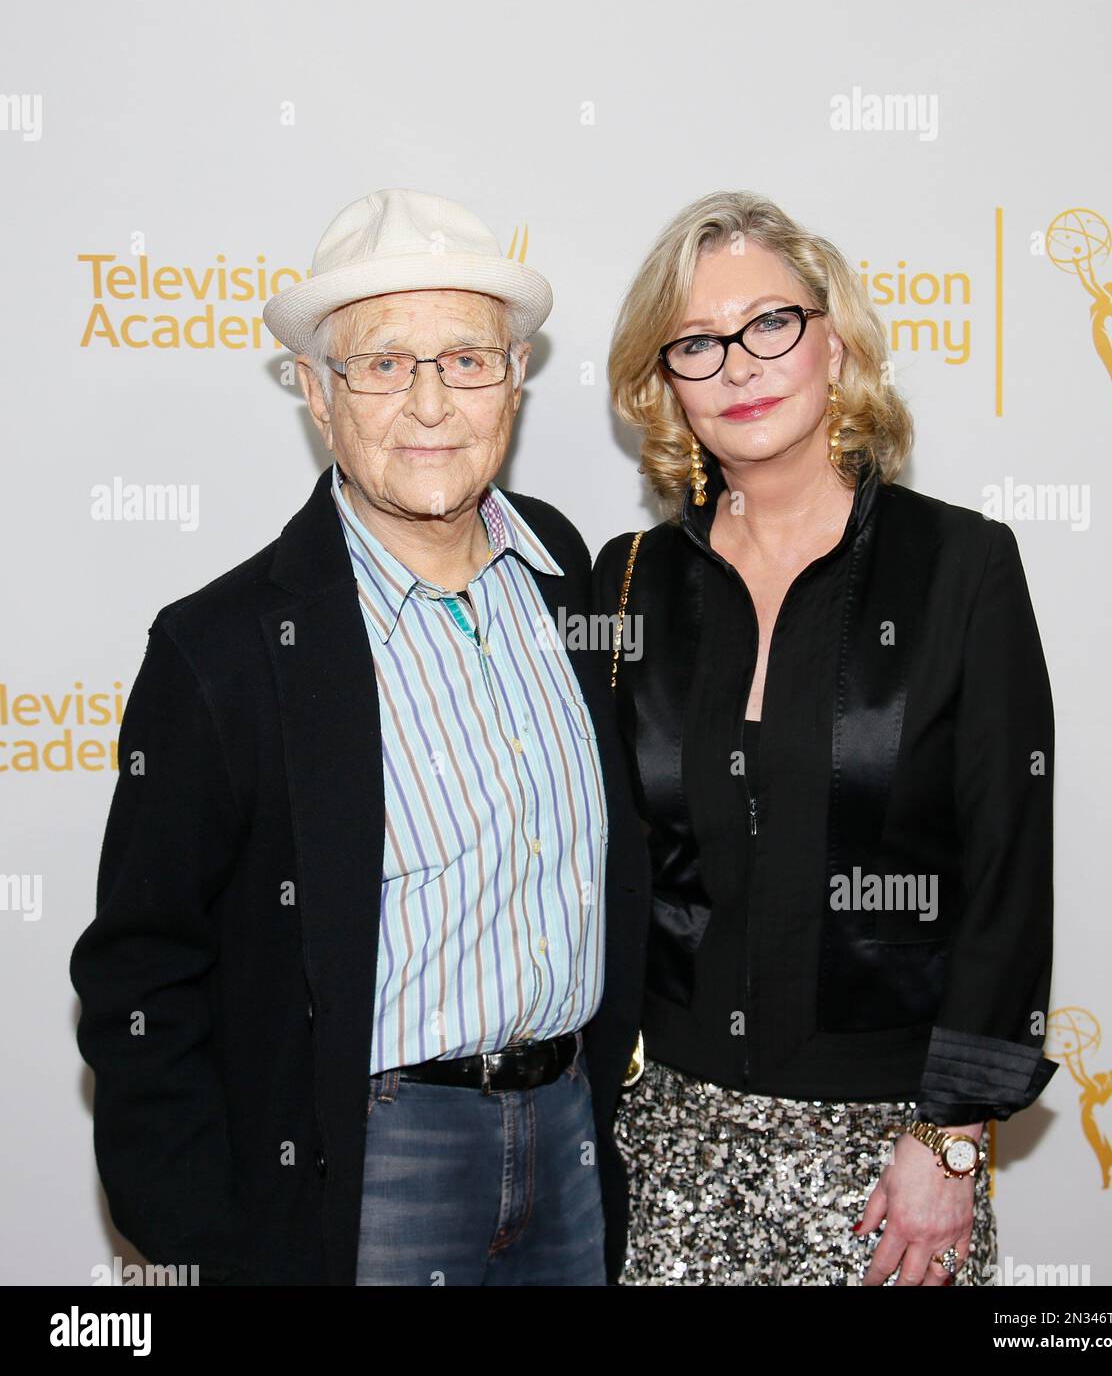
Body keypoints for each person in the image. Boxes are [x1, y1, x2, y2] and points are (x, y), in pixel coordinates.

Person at [69, 188, 649, 1286]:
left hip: (572, 1139)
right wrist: (197, 1236)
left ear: (513, 382)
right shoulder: (224, 648)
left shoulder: (570, 576)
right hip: (373, 1158)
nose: (430, 402)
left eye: (467, 360)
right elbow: (142, 967)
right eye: (383, 365)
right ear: (316, 394)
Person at [592, 190, 1059, 1286]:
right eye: (696, 343)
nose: (738, 366)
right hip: (665, 1147)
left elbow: (1006, 874)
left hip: (888, 1163)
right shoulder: (628, 581)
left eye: (770, 324)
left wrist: (950, 1138)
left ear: (832, 337)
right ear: (664, 382)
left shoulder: (958, 566)